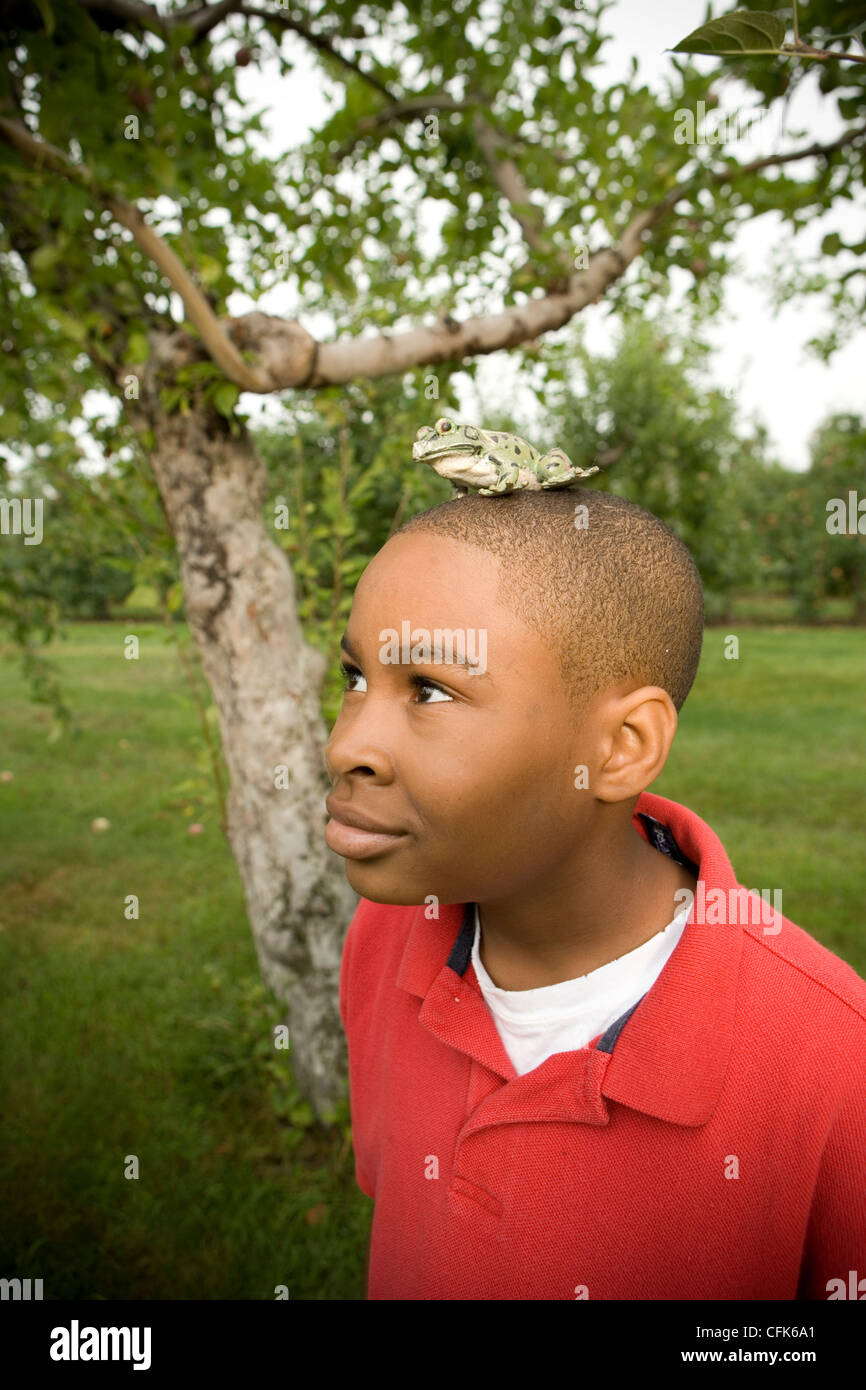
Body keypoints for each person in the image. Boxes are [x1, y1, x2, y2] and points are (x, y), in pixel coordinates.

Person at [324, 485, 866, 1300]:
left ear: (620, 748)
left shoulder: (833, 1071)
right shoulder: (387, 935)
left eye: (430, 690)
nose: (346, 745)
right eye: (355, 675)